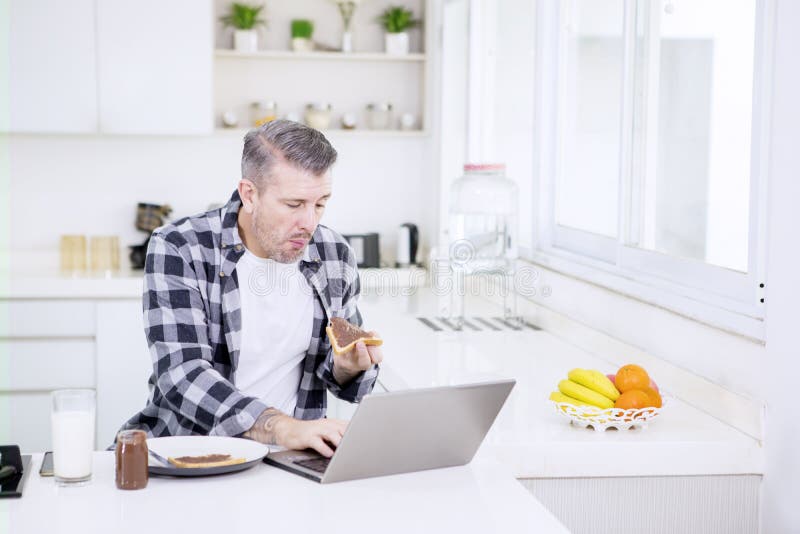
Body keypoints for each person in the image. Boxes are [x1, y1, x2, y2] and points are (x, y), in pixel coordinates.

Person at [120, 120, 382, 457]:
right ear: (249, 194)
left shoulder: (333, 253)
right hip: (192, 455)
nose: (309, 223)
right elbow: (183, 376)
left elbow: (344, 381)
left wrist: (346, 368)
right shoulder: (180, 247)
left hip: (290, 460)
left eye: (320, 204)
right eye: (293, 204)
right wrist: (280, 426)